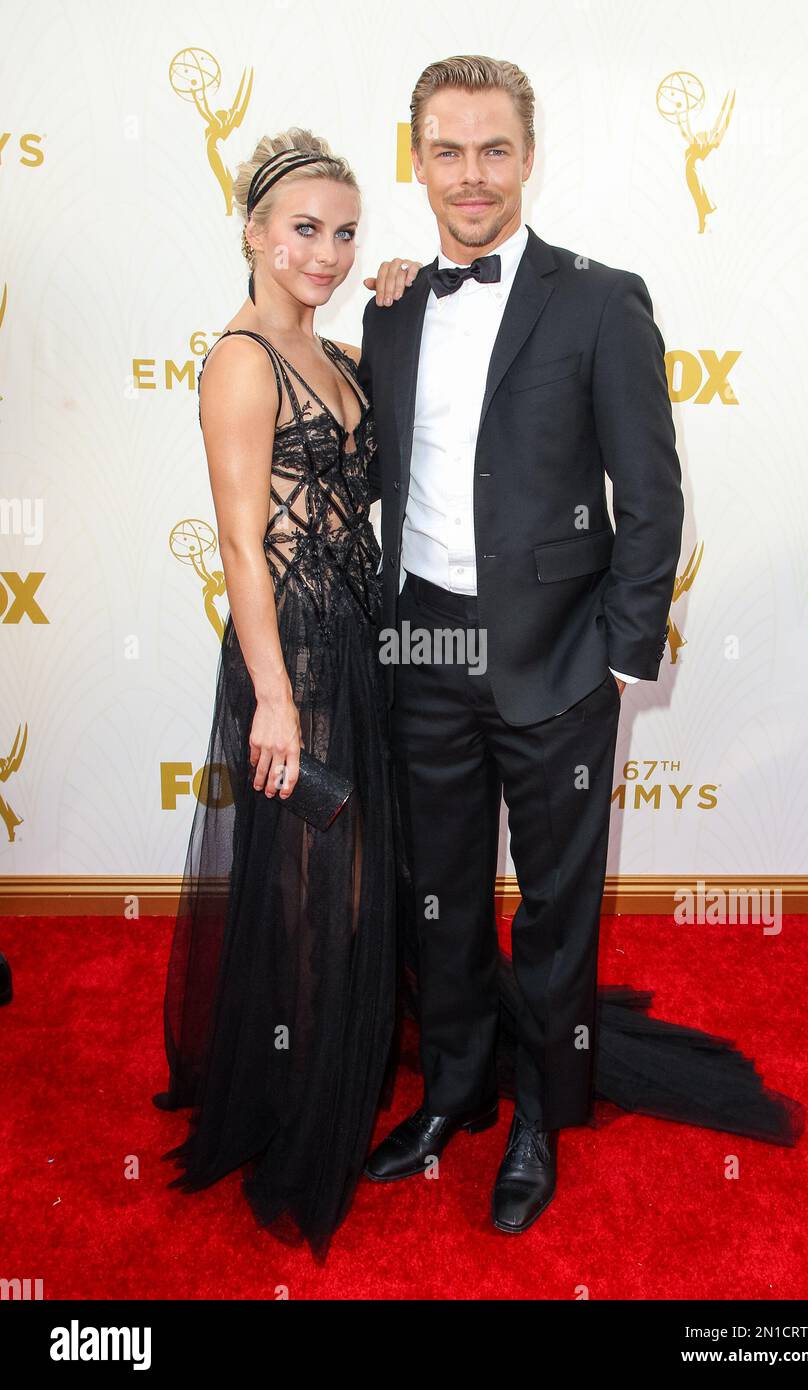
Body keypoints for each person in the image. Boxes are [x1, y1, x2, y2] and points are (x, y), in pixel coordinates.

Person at [358, 55, 805, 1234]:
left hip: (558, 658)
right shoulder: (391, 305)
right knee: (438, 894)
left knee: (556, 905)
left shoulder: (600, 299)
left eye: (492, 148)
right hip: (423, 648)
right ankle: (454, 1091)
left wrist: (617, 657)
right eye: (445, 150)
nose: (469, 174)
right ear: (417, 160)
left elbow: (649, 496)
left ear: (527, 155)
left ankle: (544, 1114)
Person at [151, 129, 418, 1261]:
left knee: (354, 885)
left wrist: (408, 297)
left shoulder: (341, 352)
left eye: (346, 230)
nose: (325, 249)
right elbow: (240, 544)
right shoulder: (243, 359)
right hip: (291, 656)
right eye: (304, 227)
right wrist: (272, 697)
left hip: (358, 646)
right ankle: (293, 1108)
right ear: (253, 232)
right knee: (312, 889)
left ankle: (329, 1073)